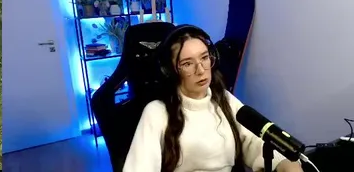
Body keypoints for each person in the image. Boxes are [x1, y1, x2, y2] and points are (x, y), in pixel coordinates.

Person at [123, 25, 302, 172]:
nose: (201, 70)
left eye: (204, 58)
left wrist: (285, 163)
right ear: (170, 71)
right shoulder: (156, 112)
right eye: (187, 63)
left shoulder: (224, 99)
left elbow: (254, 142)